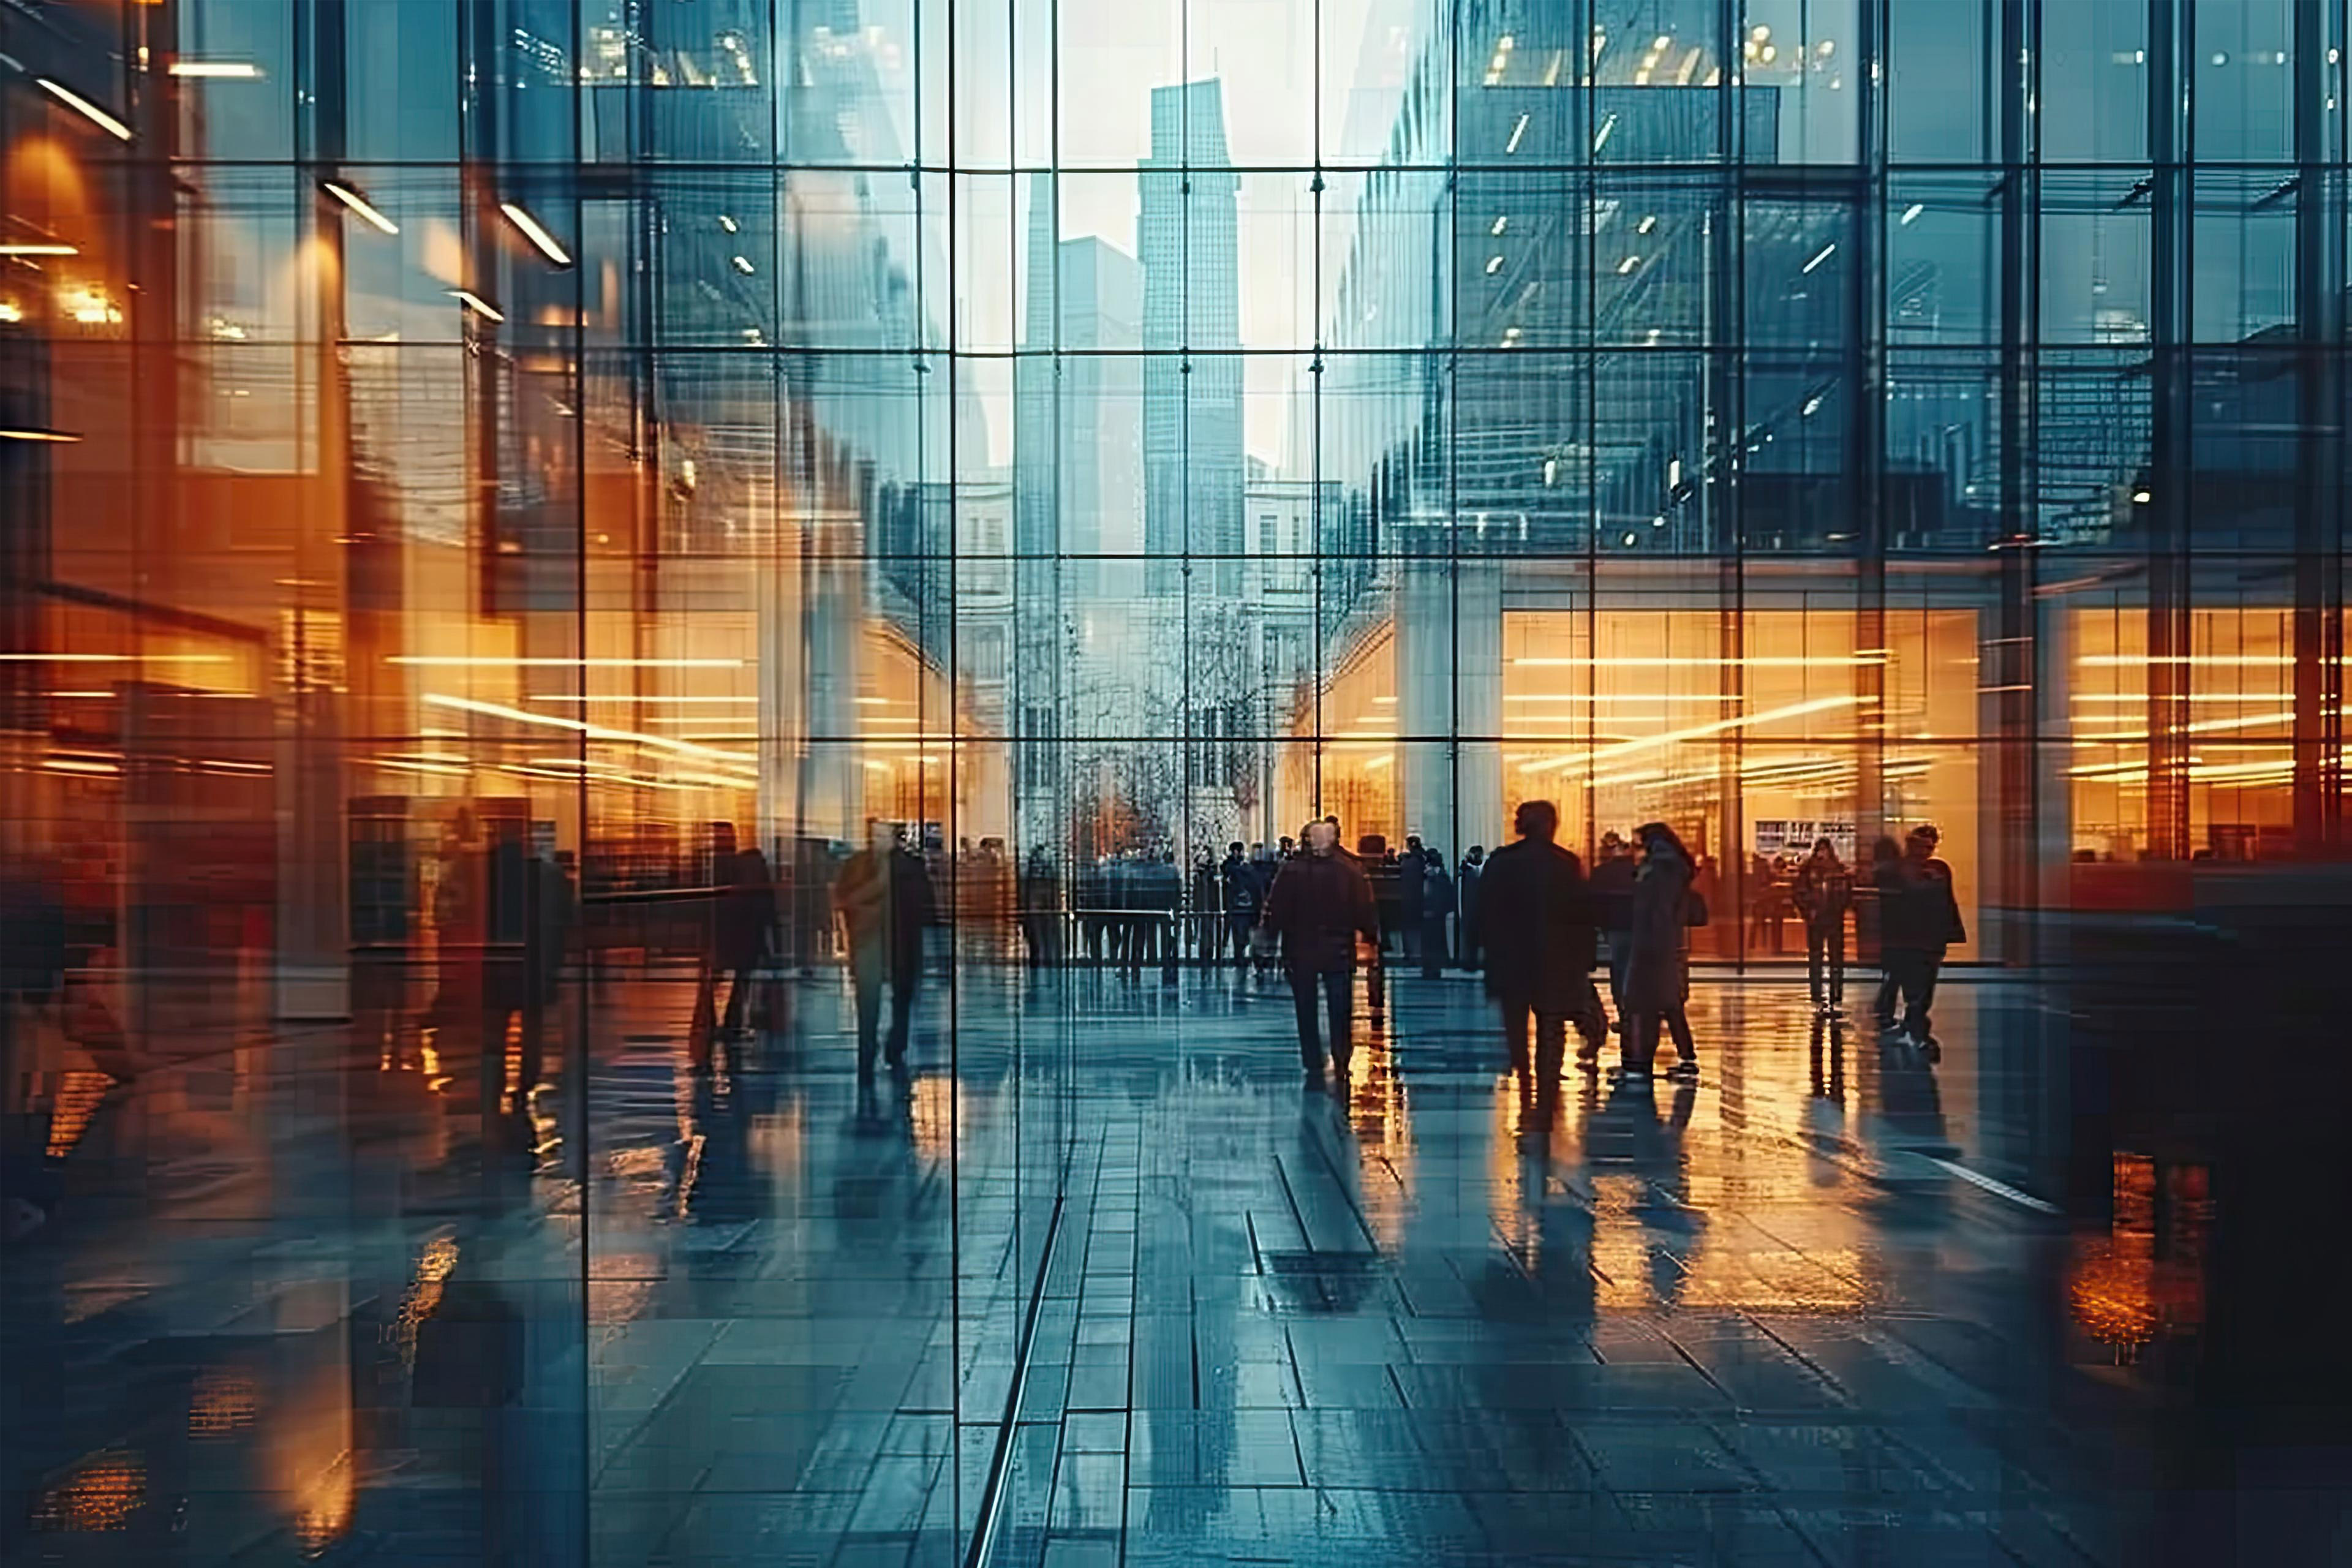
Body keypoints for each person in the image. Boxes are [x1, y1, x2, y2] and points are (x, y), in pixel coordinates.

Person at [1478, 801, 1607, 1090]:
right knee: (1552, 1021)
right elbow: (1582, 915)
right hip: (1555, 957)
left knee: (1515, 1021)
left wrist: (1482, 950)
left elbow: (1484, 910)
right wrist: (1585, 957)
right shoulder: (1565, 863)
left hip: (1511, 957)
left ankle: (1523, 1072)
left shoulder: (1502, 862)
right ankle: (1548, 1077)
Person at [1259, 821, 1380, 1088]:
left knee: (1306, 1006)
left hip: (1300, 949)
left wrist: (1267, 938)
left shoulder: (1292, 871)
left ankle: (1312, 1058)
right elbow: (1365, 909)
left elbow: (1276, 909)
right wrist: (1371, 937)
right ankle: (1341, 1056)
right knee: (1340, 1006)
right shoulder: (1350, 871)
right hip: (1337, 949)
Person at [834, 821, 937, 1087]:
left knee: (895, 999)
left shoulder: (904, 866)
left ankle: (888, 1046)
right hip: (878, 942)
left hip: (892, 941)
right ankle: (876, 1048)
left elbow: (924, 905)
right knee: (876, 1001)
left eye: (883, 835)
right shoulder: (864, 865)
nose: (878, 840)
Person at [1619, 822, 1702, 1082]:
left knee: (1650, 1002)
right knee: (1668, 1002)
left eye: (1637, 844)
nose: (1635, 851)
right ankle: (1682, 1057)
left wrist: (1649, 943)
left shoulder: (1660, 870)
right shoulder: (1671, 867)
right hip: (1665, 942)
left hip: (1654, 944)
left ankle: (1640, 1060)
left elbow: (1656, 910)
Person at [1877, 825, 1965, 1057]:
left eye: (1930, 846)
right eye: (1923, 845)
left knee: (1922, 989)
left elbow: (1946, 903)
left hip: (1925, 938)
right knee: (1915, 988)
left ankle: (1914, 1027)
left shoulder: (1935, 870)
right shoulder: (1899, 871)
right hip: (1909, 938)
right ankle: (1917, 1030)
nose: (1927, 850)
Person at [1790, 837, 1853, 1017]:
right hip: (1817, 918)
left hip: (1832, 918)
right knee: (1817, 958)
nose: (1821, 854)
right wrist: (1808, 910)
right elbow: (1799, 893)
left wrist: (1840, 907)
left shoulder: (1837, 871)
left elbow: (1846, 894)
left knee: (1835, 959)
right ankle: (1818, 994)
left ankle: (1835, 994)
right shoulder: (1810, 871)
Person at [1589, 831, 1638, 1019]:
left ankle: (1623, 1007)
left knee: (1619, 967)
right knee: (1634, 967)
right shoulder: (1638, 871)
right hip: (1637, 925)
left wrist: (1600, 925)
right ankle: (1633, 1010)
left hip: (1614, 926)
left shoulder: (1601, 872)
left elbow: (1594, 901)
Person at [1864, 835, 1905, 1033]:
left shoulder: (1879, 873)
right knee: (1897, 969)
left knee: (1892, 968)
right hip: (1899, 926)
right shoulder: (1899, 872)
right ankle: (1885, 1004)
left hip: (1887, 927)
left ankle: (1884, 1004)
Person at [1219, 842, 1259, 967]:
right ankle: (1240, 954)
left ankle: (1239, 954)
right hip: (1242, 905)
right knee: (1241, 932)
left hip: (1237, 905)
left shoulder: (1232, 868)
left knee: (1239, 933)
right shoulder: (1244, 869)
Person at [1418, 848, 1454, 978]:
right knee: (1434, 943)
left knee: (1431, 944)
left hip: (1433, 916)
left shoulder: (1436, 880)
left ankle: (1431, 968)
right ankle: (1432, 967)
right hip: (1435, 916)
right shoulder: (1441, 879)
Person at [1456, 846, 1485, 972]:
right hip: (1470, 910)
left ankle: (1471, 961)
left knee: (1472, 938)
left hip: (1474, 910)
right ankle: (1469, 962)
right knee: (1469, 938)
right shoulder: (1468, 872)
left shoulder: (1472, 872)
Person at [1191, 851, 1221, 963]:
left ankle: (1207, 952)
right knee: (1206, 930)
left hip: (1207, 907)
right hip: (1205, 907)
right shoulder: (1202, 879)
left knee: (1206, 930)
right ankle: (1206, 952)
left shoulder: (1206, 879)